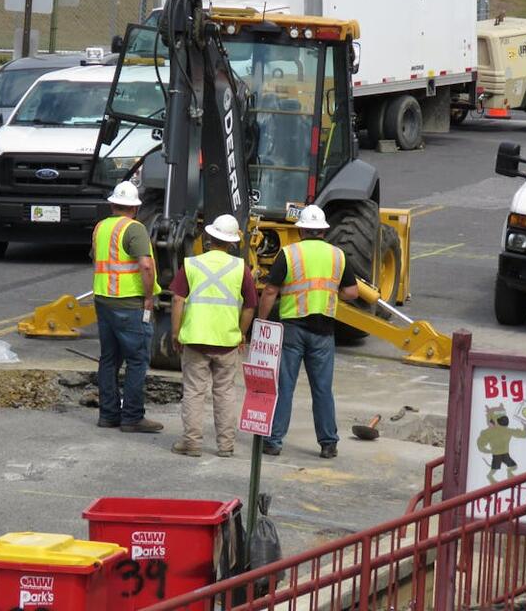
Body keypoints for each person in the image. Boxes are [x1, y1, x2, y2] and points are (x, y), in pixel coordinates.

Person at [257, 205, 358, 458]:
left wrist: (262, 322)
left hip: (292, 328)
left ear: (301, 230)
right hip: (323, 331)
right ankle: (328, 443)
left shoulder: (289, 253)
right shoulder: (338, 255)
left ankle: (274, 441)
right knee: (322, 389)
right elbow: (352, 292)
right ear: (322, 231)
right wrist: (329, 292)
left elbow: (270, 291)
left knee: (285, 386)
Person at [169, 214, 258, 458]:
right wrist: (241, 334)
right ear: (232, 242)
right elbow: (250, 305)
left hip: (195, 340)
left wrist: (176, 332)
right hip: (227, 343)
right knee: (225, 393)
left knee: (194, 392)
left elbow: (178, 299)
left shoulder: (191, 264)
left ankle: (191, 443)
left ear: (209, 237)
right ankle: (226, 445)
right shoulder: (241, 268)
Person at [92, 180, 163, 433]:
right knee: (137, 359)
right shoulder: (135, 229)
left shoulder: (101, 227)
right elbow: (145, 265)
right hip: (129, 303)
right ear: (134, 208)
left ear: (113, 204)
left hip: (103, 299)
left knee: (109, 359)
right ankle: (132, 416)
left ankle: (108, 414)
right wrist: (148, 298)